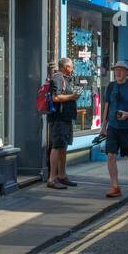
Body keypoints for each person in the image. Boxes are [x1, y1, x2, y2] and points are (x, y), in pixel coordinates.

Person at [102, 59, 128, 198]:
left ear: (127, 72)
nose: (118, 72)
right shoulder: (111, 86)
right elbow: (107, 106)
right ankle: (115, 187)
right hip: (113, 127)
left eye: (121, 70)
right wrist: (103, 126)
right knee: (111, 155)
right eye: (116, 70)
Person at [45, 58, 81, 189]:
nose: (73, 69)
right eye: (71, 66)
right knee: (56, 146)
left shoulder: (66, 78)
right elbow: (56, 97)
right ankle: (52, 179)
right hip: (58, 119)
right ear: (65, 67)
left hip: (66, 118)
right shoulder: (58, 78)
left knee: (63, 147)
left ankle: (62, 175)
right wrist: (72, 97)